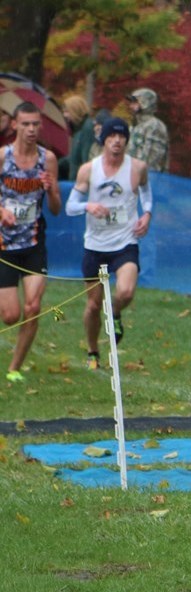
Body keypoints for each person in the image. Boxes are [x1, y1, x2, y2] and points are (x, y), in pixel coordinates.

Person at [64, 118, 152, 369]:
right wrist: (88, 206)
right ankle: (93, 351)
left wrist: (147, 213)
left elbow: (145, 191)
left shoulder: (137, 168)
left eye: (122, 136)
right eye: (112, 136)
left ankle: (114, 313)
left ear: (126, 140)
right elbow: (70, 207)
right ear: (104, 140)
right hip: (95, 244)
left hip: (125, 241)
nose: (117, 140)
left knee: (125, 291)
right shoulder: (89, 170)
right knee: (92, 305)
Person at [0, 102, 62, 382]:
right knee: (11, 316)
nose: (31, 129)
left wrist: (50, 192)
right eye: (25, 124)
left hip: (34, 244)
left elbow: (56, 207)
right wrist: (2, 212)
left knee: (33, 307)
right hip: (5, 247)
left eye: (36, 124)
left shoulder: (47, 160)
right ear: (14, 125)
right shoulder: (3, 157)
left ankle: (14, 368)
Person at [125, 88, 169, 173]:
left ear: (145, 103)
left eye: (135, 102)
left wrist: (140, 175)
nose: (131, 106)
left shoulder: (155, 126)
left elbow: (154, 158)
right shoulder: (135, 125)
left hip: (150, 178)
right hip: (132, 176)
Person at [60, 95, 95, 182]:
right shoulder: (77, 130)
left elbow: (86, 158)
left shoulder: (87, 128)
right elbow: (73, 157)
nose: (65, 115)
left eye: (67, 112)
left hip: (81, 182)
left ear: (75, 110)